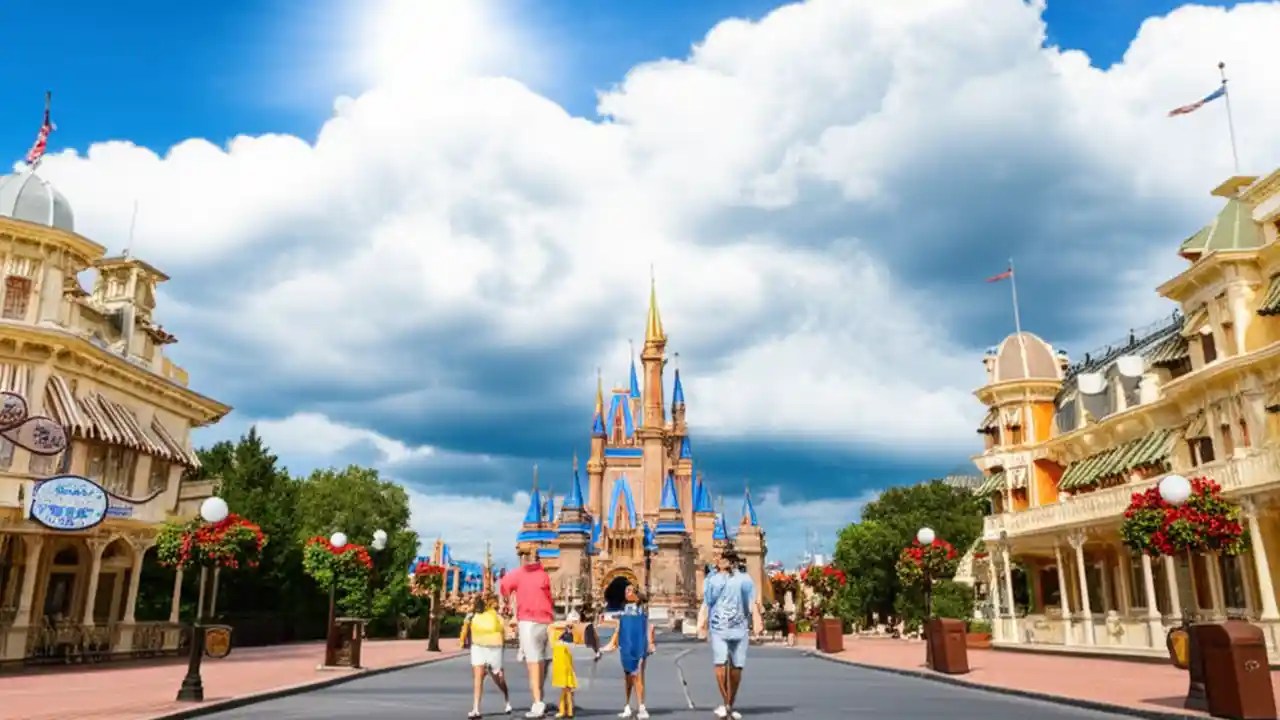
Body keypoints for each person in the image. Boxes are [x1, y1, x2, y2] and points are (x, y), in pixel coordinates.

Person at [698, 549, 763, 720]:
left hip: (739, 627)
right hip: (718, 626)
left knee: (737, 667)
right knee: (720, 663)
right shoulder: (711, 579)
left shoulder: (744, 579)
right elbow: (706, 602)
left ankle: (729, 704)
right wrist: (702, 623)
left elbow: (751, 600)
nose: (718, 559)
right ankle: (726, 703)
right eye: (717, 557)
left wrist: (756, 621)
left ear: (731, 561)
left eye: (722, 557)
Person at [500, 548, 555, 718]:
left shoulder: (519, 573)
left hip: (530, 622)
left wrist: (506, 604)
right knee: (543, 662)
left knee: (534, 664)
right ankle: (540, 699)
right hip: (546, 621)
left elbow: (504, 587)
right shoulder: (543, 574)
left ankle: (538, 702)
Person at [602, 583, 655, 719]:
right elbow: (619, 627)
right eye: (626, 591)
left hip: (640, 643)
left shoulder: (643, 607)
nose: (628, 593)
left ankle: (641, 707)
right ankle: (627, 706)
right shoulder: (622, 607)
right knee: (628, 677)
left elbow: (649, 626)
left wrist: (651, 643)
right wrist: (612, 643)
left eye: (630, 590)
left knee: (639, 676)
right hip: (626, 645)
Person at [462, 595, 512, 719]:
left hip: (494, 647)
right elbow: (465, 629)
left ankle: (506, 698)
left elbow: (503, 631)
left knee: (497, 677)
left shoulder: (495, 615)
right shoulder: (471, 615)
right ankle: (476, 709)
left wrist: (503, 644)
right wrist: (463, 641)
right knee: (478, 676)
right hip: (478, 647)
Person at [549, 618, 578, 718]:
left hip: (564, 668)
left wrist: (567, 624)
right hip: (565, 668)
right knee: (567, 691)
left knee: (566, 690)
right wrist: (567, 624)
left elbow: (552, 627)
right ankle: (568, 711)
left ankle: (566, 711)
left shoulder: (559, 643)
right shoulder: (563, 642)